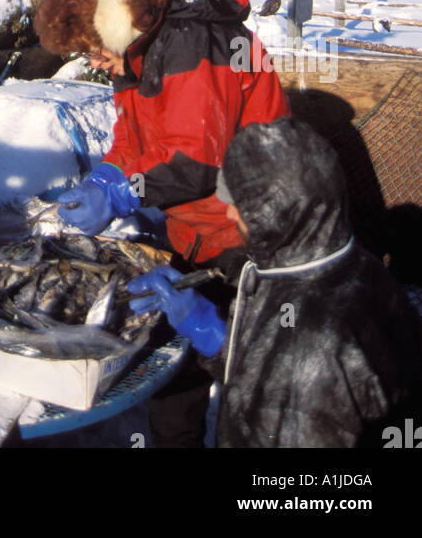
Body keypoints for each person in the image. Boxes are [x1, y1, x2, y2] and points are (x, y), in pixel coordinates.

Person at [35, 0, 290, 444]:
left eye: (91, 48)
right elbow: (132, 142)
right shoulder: (135, 53)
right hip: (194, 233)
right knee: (174, 370)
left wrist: (118, 197)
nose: (91, 61)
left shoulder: (193, 41)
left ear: (116, 19)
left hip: (255, 235)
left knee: (251, 375)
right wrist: (103, 179)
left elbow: (197, 161)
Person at [132, 118, 422, 447]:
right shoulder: (351, 265)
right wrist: (218, 338)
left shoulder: (310, 351)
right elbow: (277, 370)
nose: (229, 214)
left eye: (240, 204)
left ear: (275, 212)